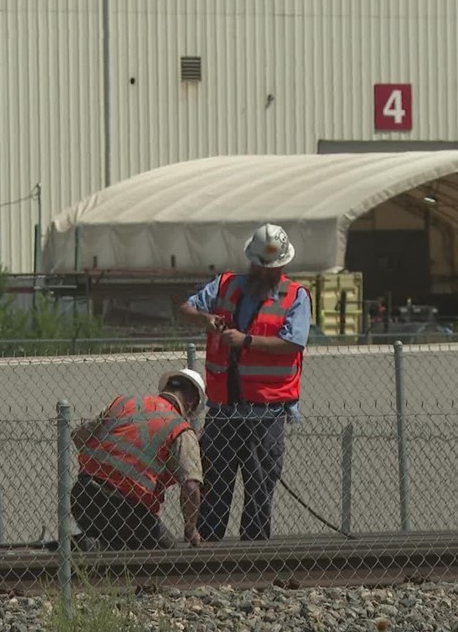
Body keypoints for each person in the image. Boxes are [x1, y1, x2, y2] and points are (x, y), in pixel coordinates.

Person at [177, 222, 312, 542]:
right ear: (250, 261)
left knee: (260, 490)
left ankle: (253, 557)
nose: (265, 273)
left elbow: (294, 342)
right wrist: (205, 319)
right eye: (260, 266)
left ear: (283, 265)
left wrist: (246, 341)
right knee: (215, 484)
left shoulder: (295, 296)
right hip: (224, 409)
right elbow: (185, 308)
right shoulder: (225, 286)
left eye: (272, 267)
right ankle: (207, 551)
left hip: (267, 412)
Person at [70, 368, 207, 550]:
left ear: (166, 386)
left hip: (83, 495)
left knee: (116, 543)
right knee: (169, 557)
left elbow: (79, 437)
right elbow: (190, 487)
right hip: (127, 508)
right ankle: (93, 547)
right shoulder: (181, 429)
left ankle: (84, 547)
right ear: (191, 402)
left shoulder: (123, 403)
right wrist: (190, 529)